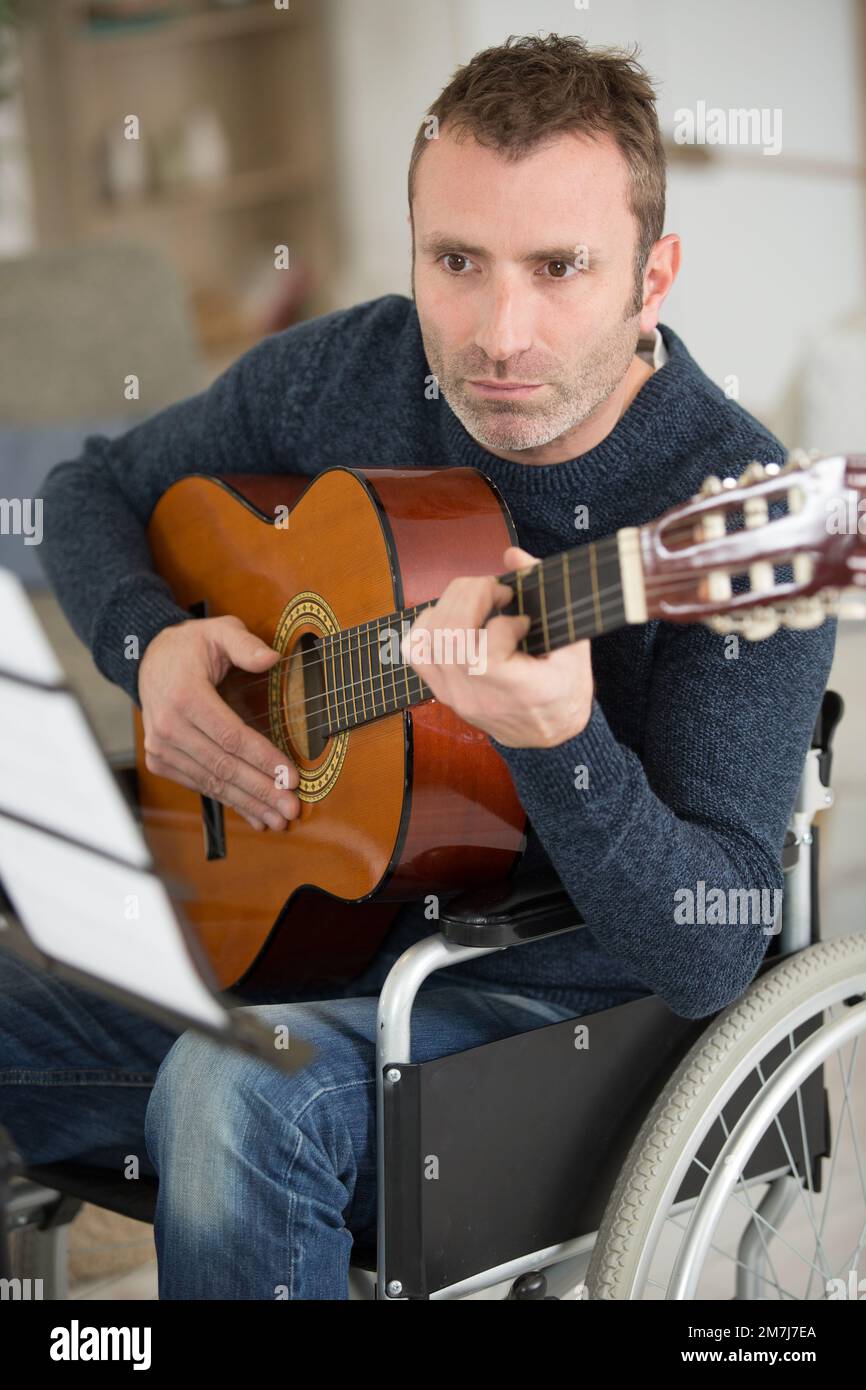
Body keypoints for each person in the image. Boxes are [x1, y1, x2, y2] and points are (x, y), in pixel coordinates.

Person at [0, 34, 835, 1299]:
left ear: (650, 275)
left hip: (554, 1037)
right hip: (300, 954)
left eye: (559, 268)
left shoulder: (727, 510)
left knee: (239, 1094)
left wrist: (560, 746)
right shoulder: (354, 367)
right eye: (457, 262)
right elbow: (92, 491)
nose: (500, 333)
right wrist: (148, 646)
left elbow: (712, 950)